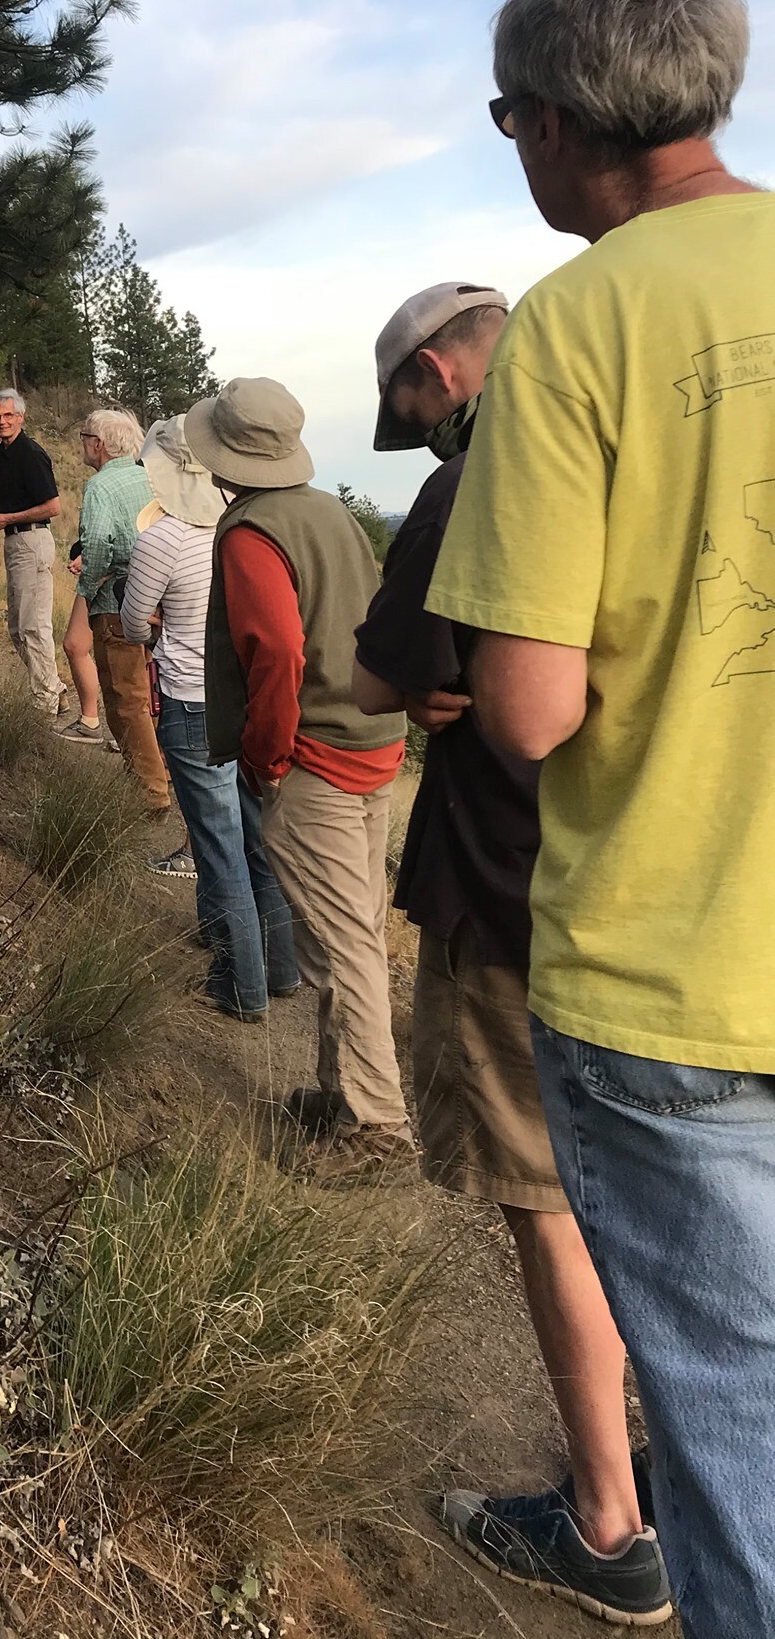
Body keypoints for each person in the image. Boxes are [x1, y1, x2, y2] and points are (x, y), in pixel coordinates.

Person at [428, 0, 775, 1639]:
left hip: (674, 978)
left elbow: (534, 709)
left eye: (511, 116)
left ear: (564, 121)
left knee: (735, 1445)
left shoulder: (576, 327)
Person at [352, 284, 670, 1625]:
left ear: (437, 371)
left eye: (407, 407)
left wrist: (449, 688)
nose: (413, 433)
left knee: (547, 1199)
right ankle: (680, 1457)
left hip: (508, 891)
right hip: (670, 883)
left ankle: (607, 1521)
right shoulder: (640, 441)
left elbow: (388, 680)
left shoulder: (475, 485)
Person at [187, 377, 409, 1178]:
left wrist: (266, 755)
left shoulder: (252, 532)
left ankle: (377, 1128)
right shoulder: (331, 515)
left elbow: (277, 653)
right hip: (372, 744)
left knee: (342, 944)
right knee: (351, 932)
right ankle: (340, 1094)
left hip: (312, 759)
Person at [122, 416, 298, 1017]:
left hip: (190, 702)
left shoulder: (162, 539)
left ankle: (240, 986)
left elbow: (129, 623)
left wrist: (164, 622)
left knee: (216, 844)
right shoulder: (240, 525)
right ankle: (280, 968)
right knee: (255, 838)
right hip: (244, 699)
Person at [75, 408, 168, 815]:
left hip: (117, 601)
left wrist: (87, 587)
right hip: (161, 600)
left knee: (125, 698)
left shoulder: (100, 486)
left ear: (98, 444)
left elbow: (96, 543)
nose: (82, 444)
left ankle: (150, 794)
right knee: (152, 696)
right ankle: (157, 776)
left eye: (84, 436)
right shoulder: (151, 477)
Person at [0, 388, 64, 717]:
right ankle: (53, 687)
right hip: (13, 542)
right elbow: (13, 503)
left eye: (8, 415)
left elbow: (52, 507)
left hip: (33, 542)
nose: (1, 421)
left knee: (33, 627)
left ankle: (45, 705)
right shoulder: (2, 454)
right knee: (16, 628)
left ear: (21, 417)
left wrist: (6, 518)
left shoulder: (31, 454)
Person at [56, 540, 104, 742]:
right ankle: (90, 720)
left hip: (108, 577)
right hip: (101, 577)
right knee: (76, 645)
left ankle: (138, 737)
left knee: (127, 660)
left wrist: (91, 559)